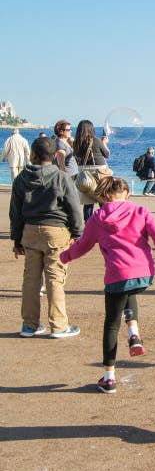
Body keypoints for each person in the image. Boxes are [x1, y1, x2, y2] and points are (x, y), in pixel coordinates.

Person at [59, 177, 155, 393]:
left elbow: (83, 246)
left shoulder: (97, 218)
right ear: (127, 194)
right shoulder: (141, 212)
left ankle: (109, 378)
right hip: (143, 275)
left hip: (117, 276)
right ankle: (134, 335)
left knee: (111, 324)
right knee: (130, 290)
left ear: (102, 197)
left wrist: (65, 256)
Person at [10, 137, 83, 338]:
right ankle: (59, 326)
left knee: (31, 280)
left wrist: (16, 240)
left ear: (32, 155)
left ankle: (29, 325)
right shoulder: (61, 177)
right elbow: (74, 208)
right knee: (55, 278)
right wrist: (77, 234)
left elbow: (15, 212)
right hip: (56, 231)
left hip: (30, 231)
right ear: (54, 156)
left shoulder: (21, 179)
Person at [73, 119, 111, 221]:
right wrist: (104, 143)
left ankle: (88, 225)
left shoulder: (76, 143)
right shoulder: (96, 140)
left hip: (85, 175)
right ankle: (105, 221)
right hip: (99, 173)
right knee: (103, 200)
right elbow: (107, 154)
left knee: (88, 203)